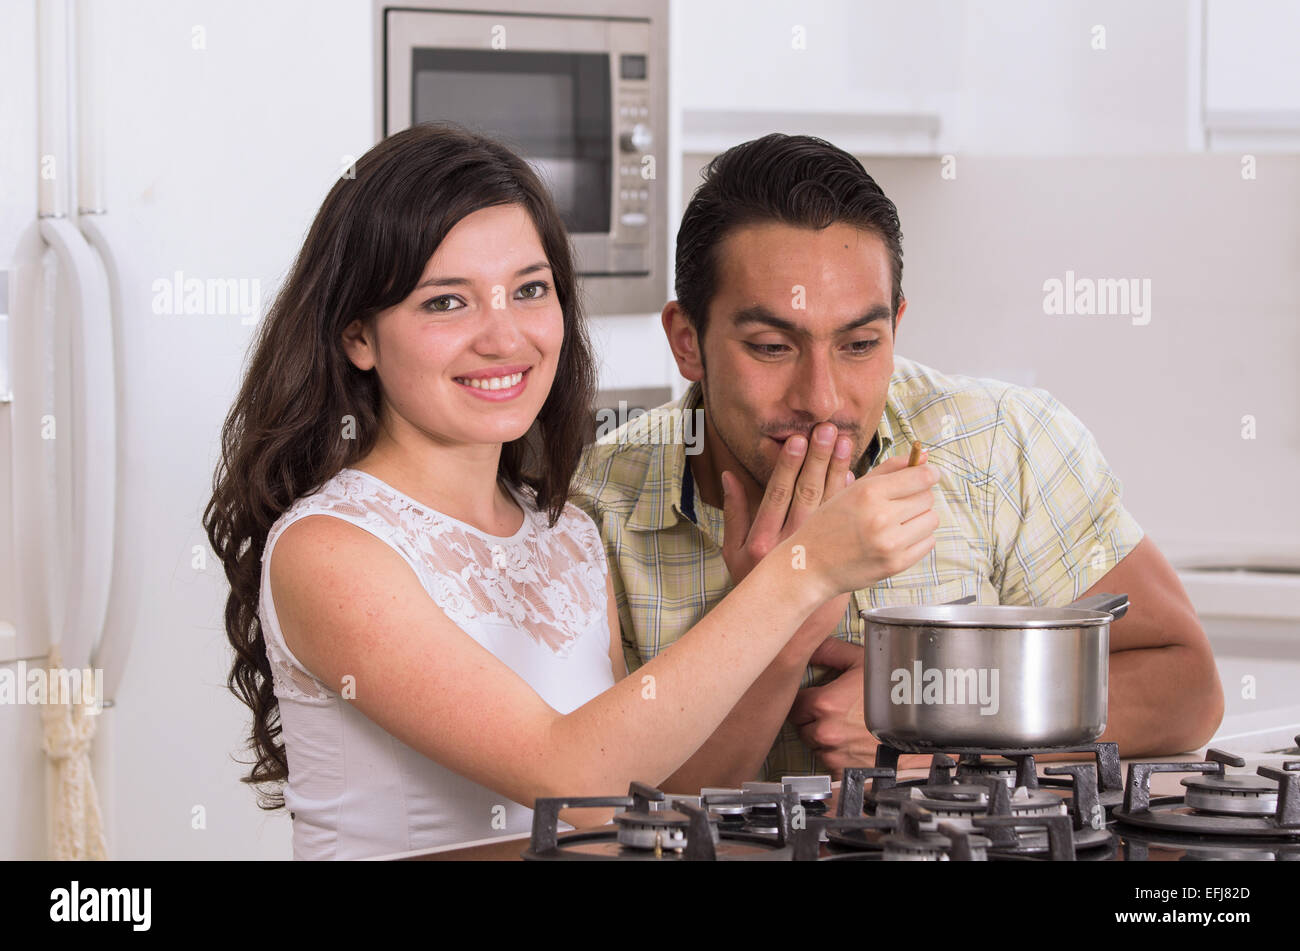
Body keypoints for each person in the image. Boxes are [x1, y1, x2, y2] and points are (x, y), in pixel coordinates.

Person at [202, 122, 942, 859]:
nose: (504, 337)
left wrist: (792, 633)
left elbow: (653, 813)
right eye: (446, 302)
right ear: (358, 334)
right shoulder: (330, 548)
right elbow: (567, 773)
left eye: (529, 290)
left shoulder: (564, 533)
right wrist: (802, 569)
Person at [571, 133, 1225, 787]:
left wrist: (941, 718)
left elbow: (1184, 681)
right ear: (687, 342)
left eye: (859, 343)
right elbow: (622, 811)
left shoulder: (1001, 443)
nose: (822, 399)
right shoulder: (591, 509)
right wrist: (784, 623)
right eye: (772, 346)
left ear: (895, 326)